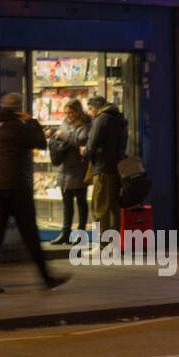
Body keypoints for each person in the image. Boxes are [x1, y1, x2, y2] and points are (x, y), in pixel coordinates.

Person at [0, 92, 68, 294]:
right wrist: (32, 121)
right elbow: (40, 143)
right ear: (18, 109)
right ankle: (46, 279)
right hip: (16, 186)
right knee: (30, 234)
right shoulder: (18, 128)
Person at [46, 99, 91, 246]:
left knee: (81, 203)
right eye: (66, 113)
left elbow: (80, 139)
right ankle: (65, 234)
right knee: (67, 205)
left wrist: (61, 133)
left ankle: (81, 234)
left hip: (78, 169)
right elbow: (69, 138)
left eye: (71, 112)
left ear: (78, 112)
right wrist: (58, 133)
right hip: (64, 169)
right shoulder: (65, 124)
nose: (68, 115)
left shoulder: (85, 124)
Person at [85, 95, 129, 234]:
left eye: (91, 109)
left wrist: (84, 151)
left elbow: (91, 145)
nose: (90, 113)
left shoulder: (101, 119)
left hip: (102, 169)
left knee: (99, 208)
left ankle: (102, 245)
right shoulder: (118, 118)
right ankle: (113, 245)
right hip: (117, 169)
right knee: (113, 208)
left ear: (97, 107)